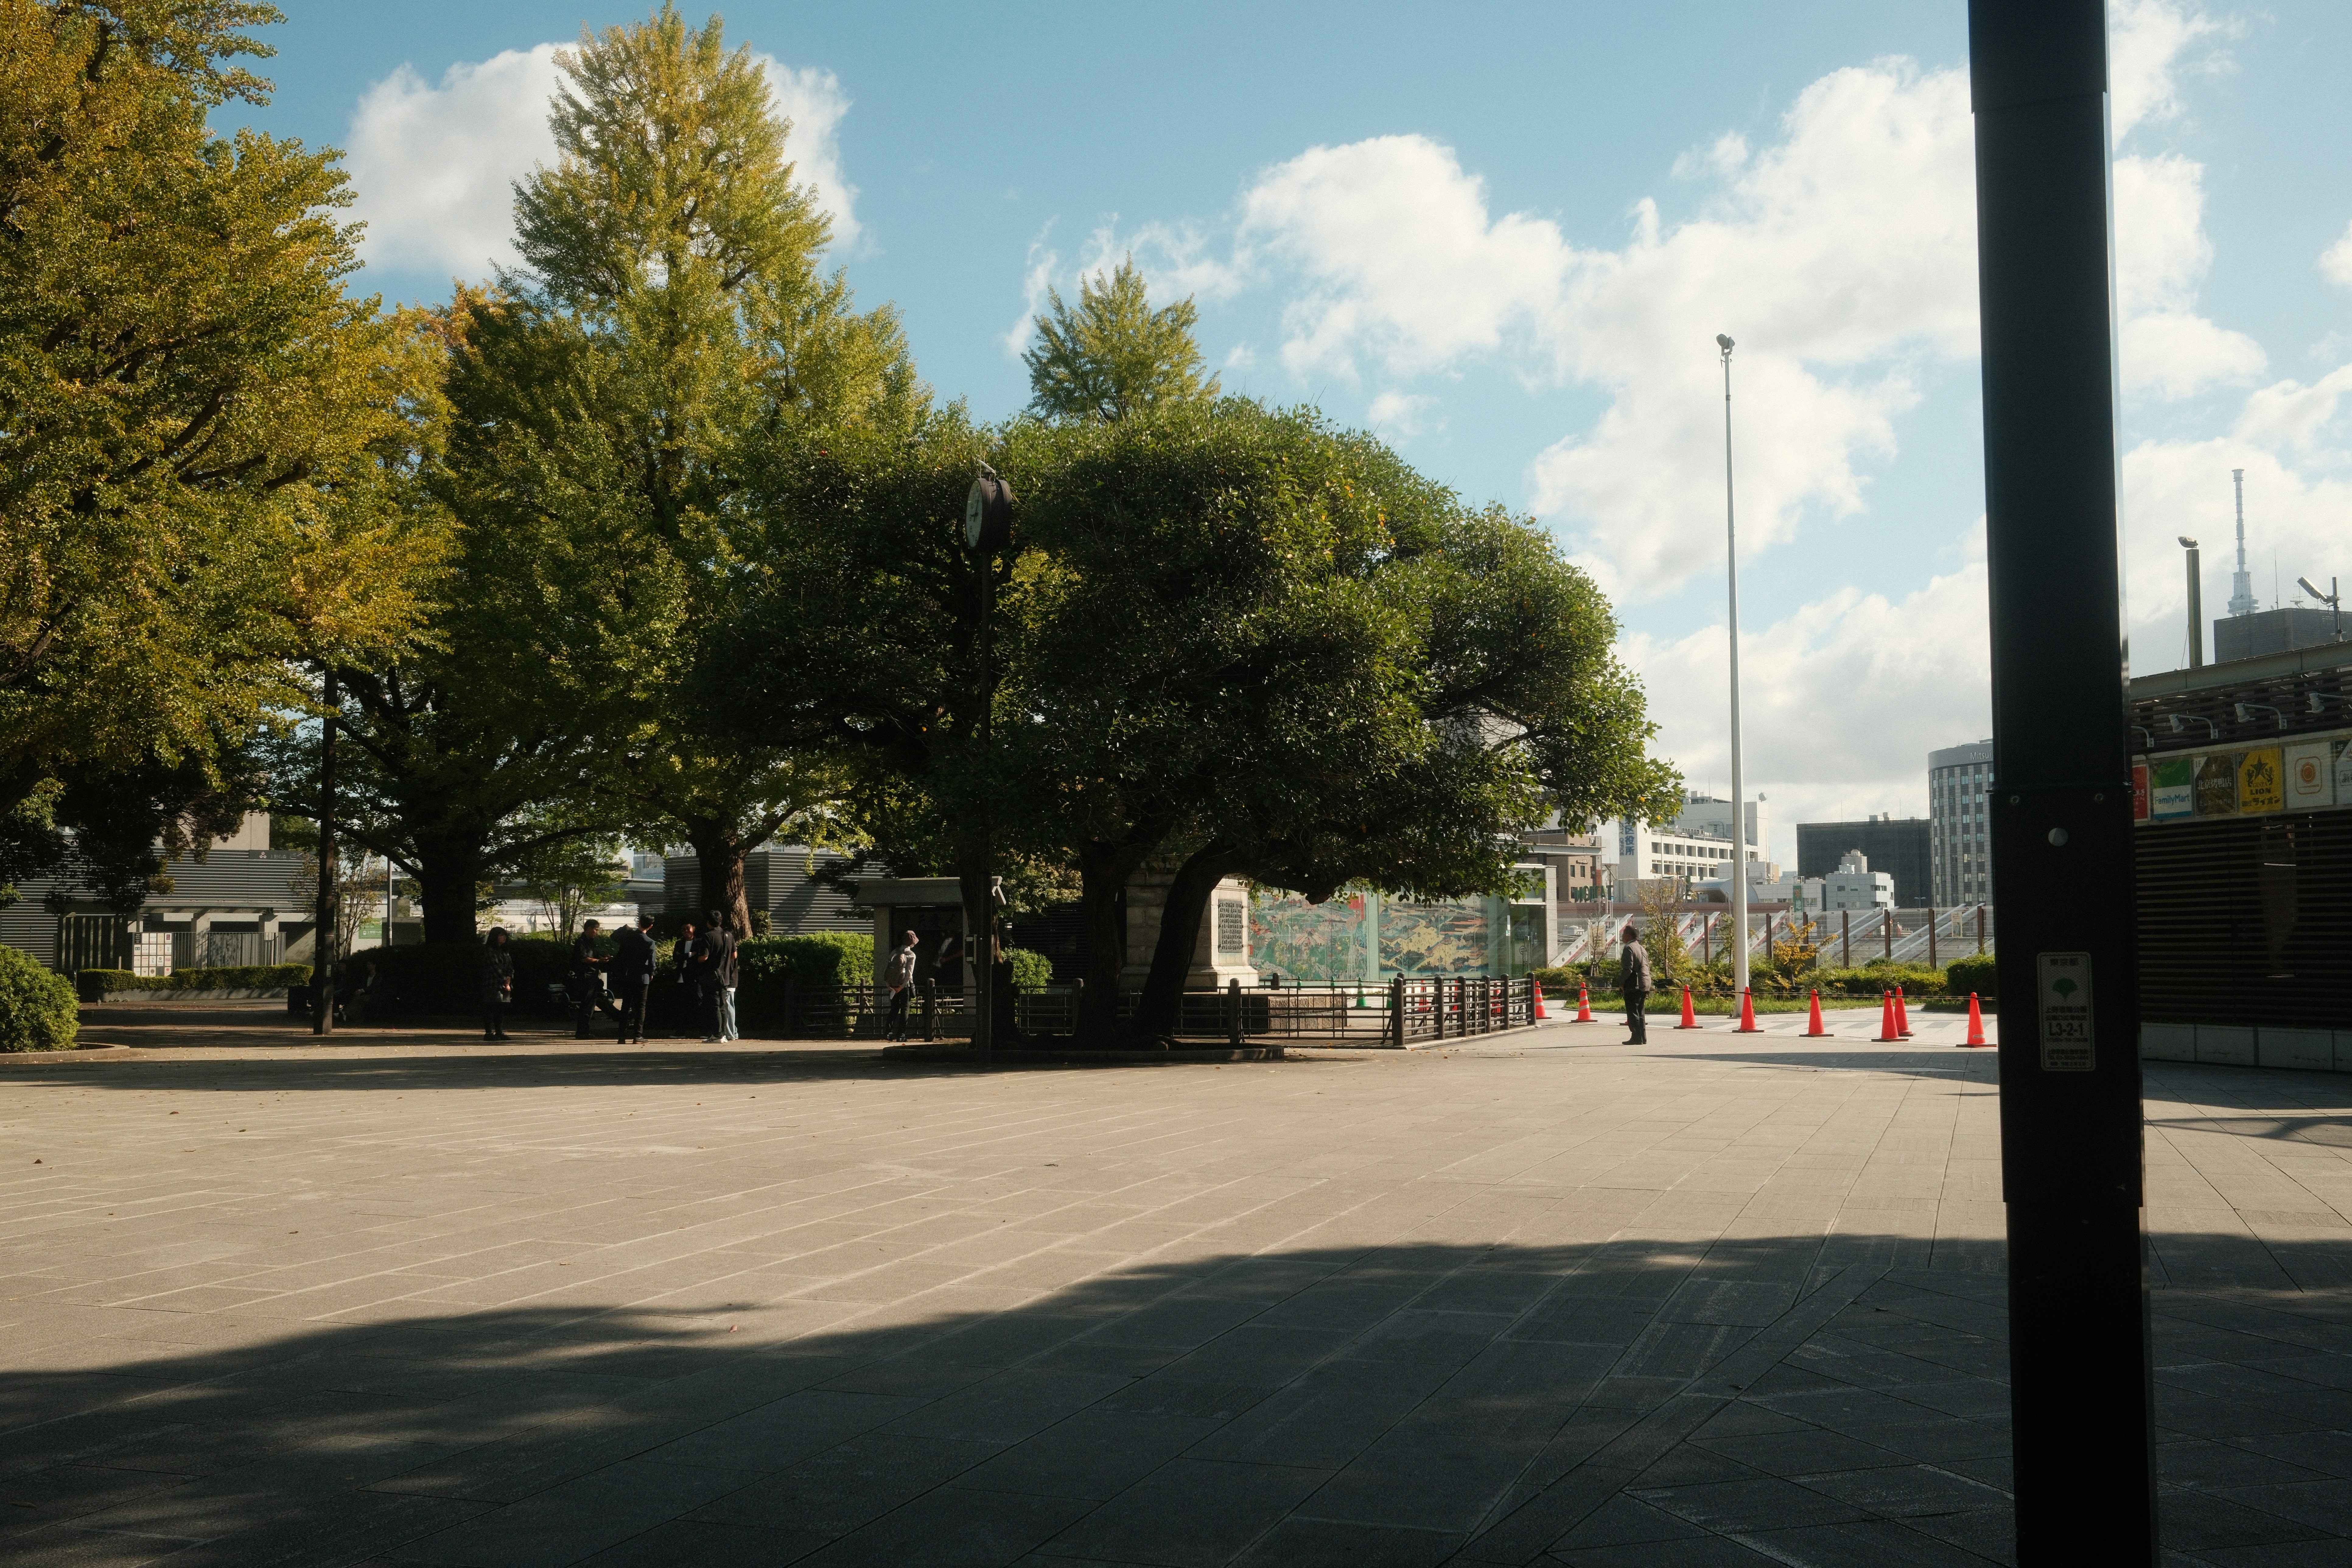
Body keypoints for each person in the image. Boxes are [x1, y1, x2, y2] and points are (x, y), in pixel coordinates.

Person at [610, 913, 656, 1045]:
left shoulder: (628, 937)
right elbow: (652, 963)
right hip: (643, 977)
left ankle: (621, 1036)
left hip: (628, 975)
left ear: (639, 922)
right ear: (651, 926)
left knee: (626, 1005)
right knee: (641, 1007)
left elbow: (613, 936)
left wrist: (626, 928)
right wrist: (652, 973)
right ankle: (638, 1036)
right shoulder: (650, 943)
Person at [570, 919, 621, 1039]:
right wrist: (599, 961)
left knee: (598, 1001)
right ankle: (582, 1032)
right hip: (586, 977)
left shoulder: (590, 942)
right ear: (589, 929)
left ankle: (619, 1017)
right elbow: (584, 959)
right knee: (587, 1006)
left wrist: (601, 958)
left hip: (593, 977)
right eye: (596, 930)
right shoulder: (582, 942)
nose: (597, 932)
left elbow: (591, 956)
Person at [697, 910, 739, 1042]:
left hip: (712, 975)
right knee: (723, 1005)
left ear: (709, 922)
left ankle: (717, 1035)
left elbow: (704, 957)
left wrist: (697, 959)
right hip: (725, 976)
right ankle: (724, 1034)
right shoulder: (729, 935)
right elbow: (734, 956)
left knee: (714, 1005)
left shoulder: (708, 936)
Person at [882, 929, 919, 1041]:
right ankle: (901, 1035)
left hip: (893, 986)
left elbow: (887, 969)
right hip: (904, 986)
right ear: (913, 943)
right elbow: (909, 973)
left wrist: (889, 985)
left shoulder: (895, 952)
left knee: (894, 1009)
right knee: (905, 1010)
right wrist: (902, 987)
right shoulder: (911, 955)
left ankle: (888, 1033)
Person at [1618, 923, 1652, 1044]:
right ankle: (1643, 1037)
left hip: (1634, 984)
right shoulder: (1642, 948)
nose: (1622, 937)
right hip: (1645, 983)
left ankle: (1636, 1037)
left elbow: (1628, 969)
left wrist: (1621, 982)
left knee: (1633, 1012)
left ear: (1628, 935)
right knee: (1640, 1012)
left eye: (1623, 934)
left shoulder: (1629, 948)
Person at [666, 920, 697, 1041]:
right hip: (681, 977)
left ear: (693, 929)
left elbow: (699, 957)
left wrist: (685, 958)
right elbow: (676, 957)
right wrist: (689, 955)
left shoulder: (699, 942)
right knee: (681, 1005)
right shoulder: (679, 943)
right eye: (683, 929)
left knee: (697, 1003)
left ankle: (702, 1031)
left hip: (694, 977)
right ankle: (680, 1032)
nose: (686, 931)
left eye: (688, 928)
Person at [481, 928, 515, 1040]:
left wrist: (509, 979)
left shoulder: (505, 952)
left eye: (505, 935)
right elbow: (495, 967)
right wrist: (505, 980)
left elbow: (510, 967)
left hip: (505, 985)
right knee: (491, 1008)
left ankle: (499, 1032)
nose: (504, 937)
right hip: (492, 984)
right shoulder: (490, 951)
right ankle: (489, 1033)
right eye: (501, 935)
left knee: (501, 1009)